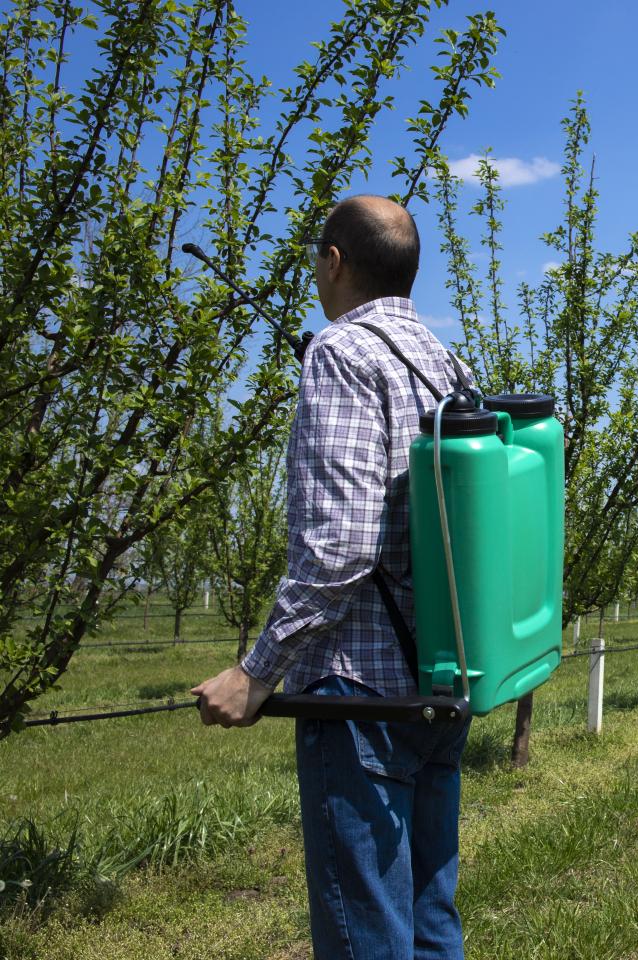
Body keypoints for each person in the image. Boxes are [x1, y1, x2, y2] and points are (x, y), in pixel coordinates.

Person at [192, 195, 472, 960]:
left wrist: (257, 671)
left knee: (368, 941)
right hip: (440, 686)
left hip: (358, 698)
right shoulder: (449, 366)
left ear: (334, 261)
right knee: (428, 923)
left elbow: (341, 546)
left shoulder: (342, 353)